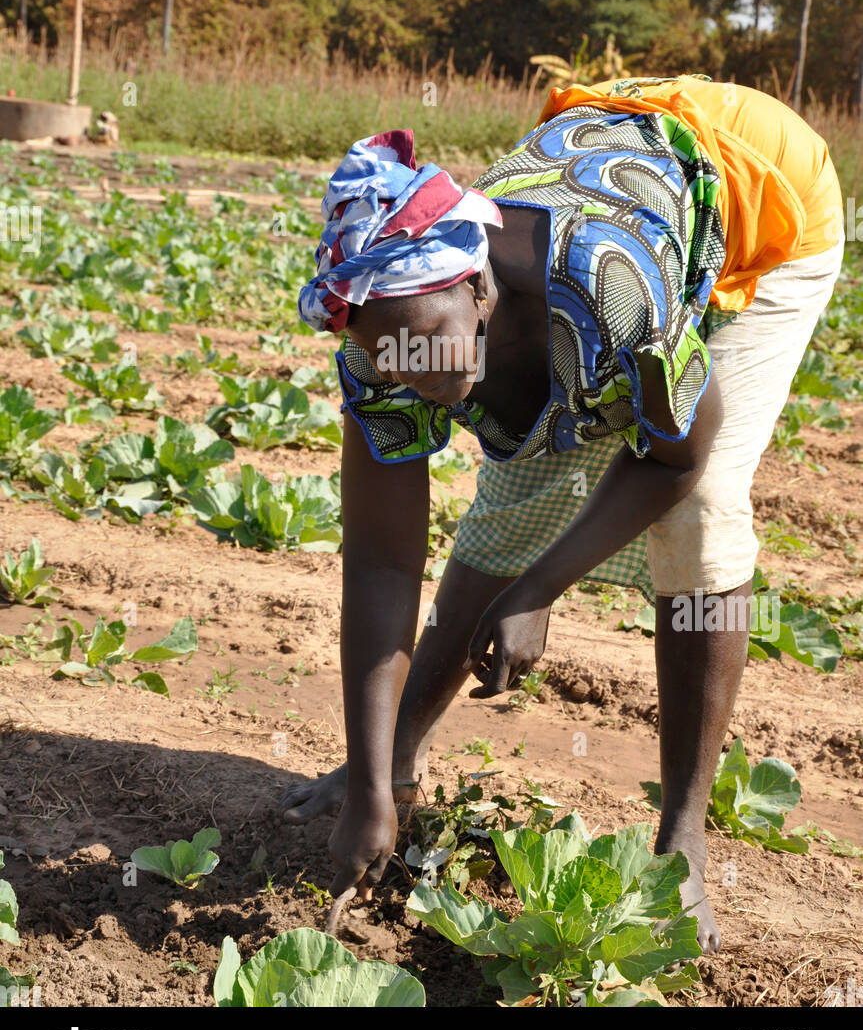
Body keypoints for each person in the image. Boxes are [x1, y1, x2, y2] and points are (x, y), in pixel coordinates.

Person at [283, 74, 845, 952]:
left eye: (429, 343)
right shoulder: (386, 344)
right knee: (516, 496)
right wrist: (366, 783)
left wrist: (542, 589)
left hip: (764, 201)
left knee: (698, 515)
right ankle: (396, 758)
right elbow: (382, 564)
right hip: (604, 159)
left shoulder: (610, 291)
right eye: (390, 356)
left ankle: (684, 835)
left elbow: (675, 453)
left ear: (475, 289)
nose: (421, 376)